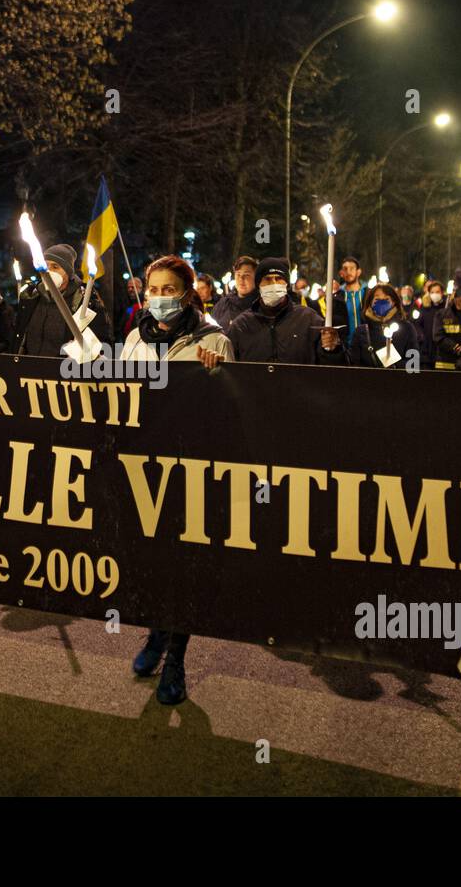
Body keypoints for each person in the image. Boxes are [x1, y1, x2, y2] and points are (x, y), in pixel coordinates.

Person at [120, 256, 235, 704]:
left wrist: (215, 379)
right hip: (142, 472)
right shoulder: (132, 340)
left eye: (170, 290)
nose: (160, 298)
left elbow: (228, 414)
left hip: (190, 475)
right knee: (151, 564)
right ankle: (154, 636)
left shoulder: (214, 342)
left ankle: (177, 660)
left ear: (188, 295)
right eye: (154, 290)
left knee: (183, 570)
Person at [225, 257, 346, 364]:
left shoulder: (309, 320)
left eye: (278, 278)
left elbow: (332, 369)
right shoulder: (241, 325)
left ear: (286, 284)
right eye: (267, 279)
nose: (273, 283)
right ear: (258, 285)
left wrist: (333, 350)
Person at [13, 244, 111, 356]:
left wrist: (80, 352)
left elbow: (101, 345)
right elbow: (18, 337)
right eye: (46, 266)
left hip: (64, 371)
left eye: (55, 267)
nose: (48, 272)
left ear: (68, 272)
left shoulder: (86, 302)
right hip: (27, 370)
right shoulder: (31, 297)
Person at [346, 283, 420, 369]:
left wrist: (395, 366)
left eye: (386, 299)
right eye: (377, 299)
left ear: (394, 302)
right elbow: (353, 363)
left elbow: (414, 362)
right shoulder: (361, 331)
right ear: (370, 302)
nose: (381, 301)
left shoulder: (407, 328)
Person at [210, 256, 258, 331]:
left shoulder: (262, 305)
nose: (241, 279)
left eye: (247, 275)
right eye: (238, 274)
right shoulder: (223, 304)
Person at [432, 284, 461, 369]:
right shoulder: (442, 314)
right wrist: (455, 347)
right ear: (456, 299)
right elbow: (438, 336)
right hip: (445, 362)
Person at [415, 279, 446, 369]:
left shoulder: (447, 308)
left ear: (442, 293)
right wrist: (422, 337)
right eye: (432, 292)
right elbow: (417, 324)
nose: (435, 294)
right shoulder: (425, 308)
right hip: (427, 351)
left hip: (442, 351)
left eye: (437, 291)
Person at [336, 256, 366, 341]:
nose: (348, 272)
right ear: (341, 272)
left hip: (366, 345)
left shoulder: (367, 294)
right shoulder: (337, 296)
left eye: (352, 268)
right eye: (345, 269)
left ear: (358, 272)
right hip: (345, 346)